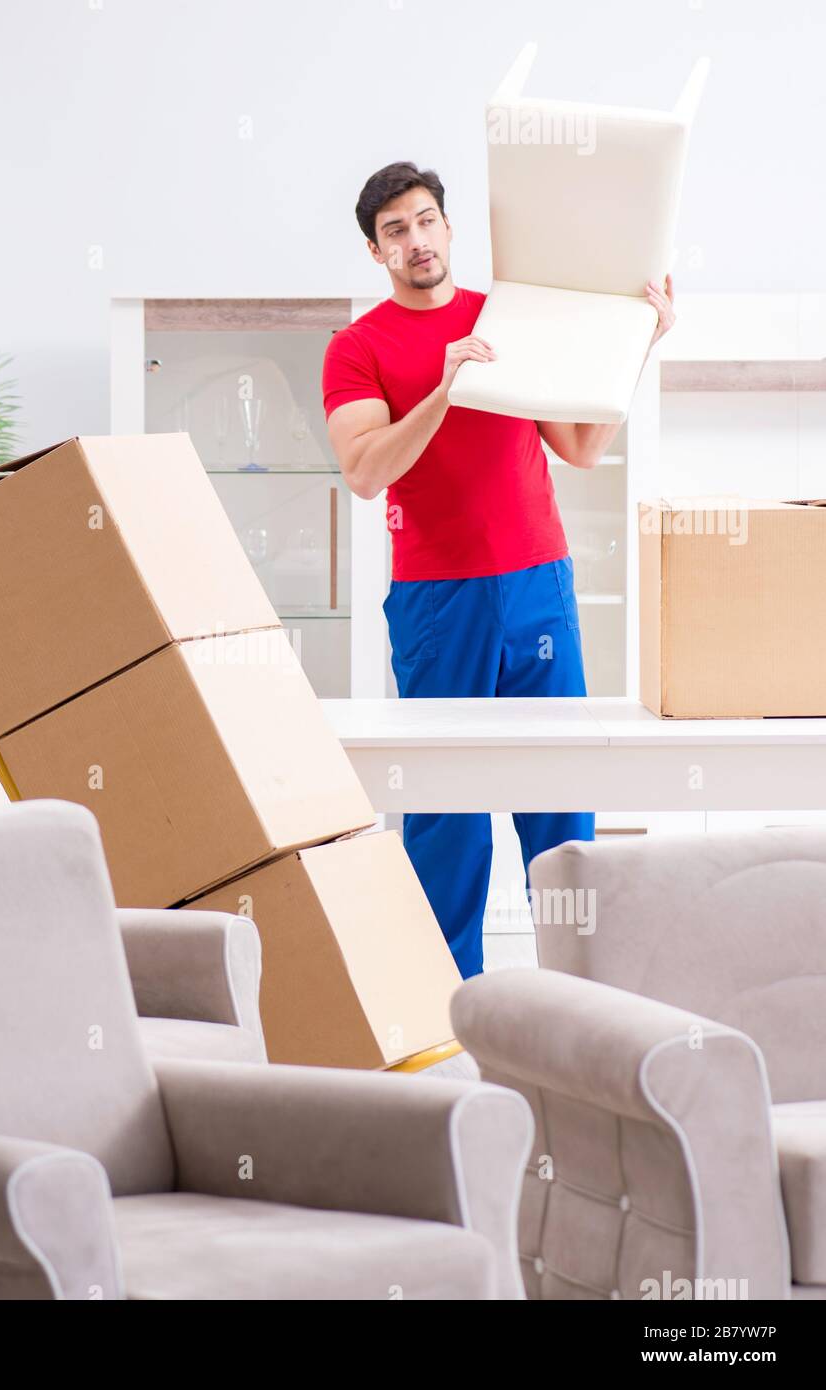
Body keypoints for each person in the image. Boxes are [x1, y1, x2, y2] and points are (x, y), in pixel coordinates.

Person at [322, 162, 674, 977]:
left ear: (448, 228)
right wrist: (446, 387)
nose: (415, 241)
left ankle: (580, 1000)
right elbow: (367, 471)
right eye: (395, 231)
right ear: (375, 251)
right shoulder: (358, 348)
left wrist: (640, 343)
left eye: (425, 221)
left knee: (559, 803)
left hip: (536, 590)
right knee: (447, 818)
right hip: (437, 602)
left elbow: (580, 448)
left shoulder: (506, 318)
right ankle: (449, 1013)